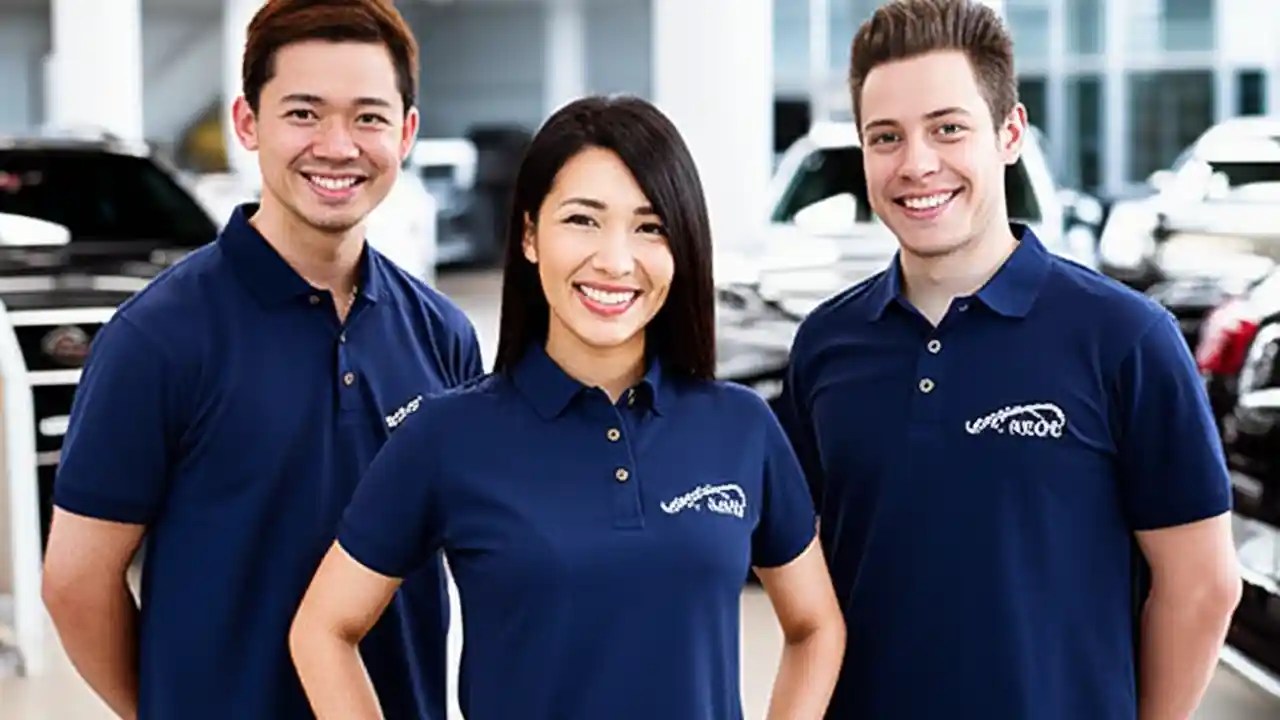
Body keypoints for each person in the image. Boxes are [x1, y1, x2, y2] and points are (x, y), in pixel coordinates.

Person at [287, 94, 846, 719]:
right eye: (583, 220)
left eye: (650, 227)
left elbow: (815, 625)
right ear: (529, 235)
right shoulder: (447, 437)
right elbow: (323, 629)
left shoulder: (741, 426)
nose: (614, 260)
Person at [776, 1, 1243, 719]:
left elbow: (1203, 586)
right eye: (885, 137)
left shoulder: (1124, 337)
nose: (916, 164)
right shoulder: (825, 346)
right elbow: (810, 593)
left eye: (948, 129)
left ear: (1010, 133)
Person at [39, 2, 482, 718]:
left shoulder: (441, 335)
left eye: (368, 117)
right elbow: (75, 582)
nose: (337, 146)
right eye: (303, 113)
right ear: (249, 123)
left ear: (405, 133)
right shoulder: (158, 339)